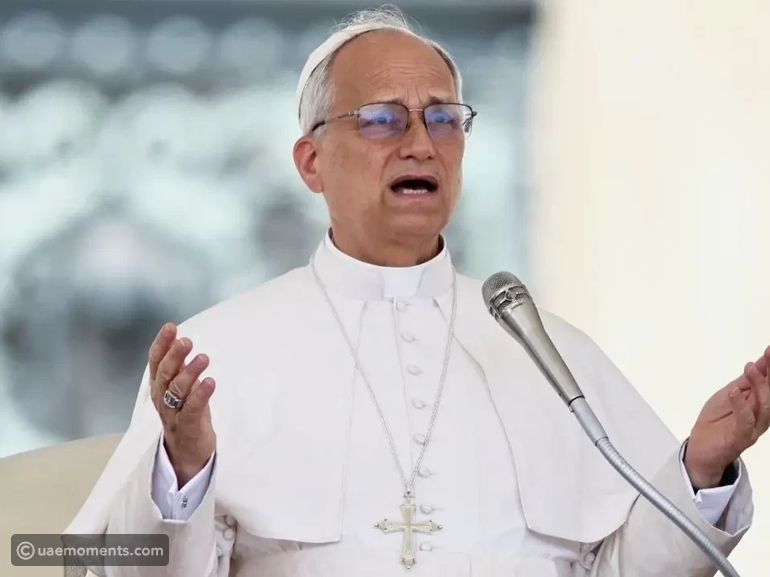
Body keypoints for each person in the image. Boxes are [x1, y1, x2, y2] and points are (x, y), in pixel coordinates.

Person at [65, 7, 767, 577]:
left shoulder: (551, 357)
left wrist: (701, 467)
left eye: (442, 118)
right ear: (311, 161)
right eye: (380, 118)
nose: (420, 143)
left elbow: (617, 571)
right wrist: (182, 468)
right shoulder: (219, 353)